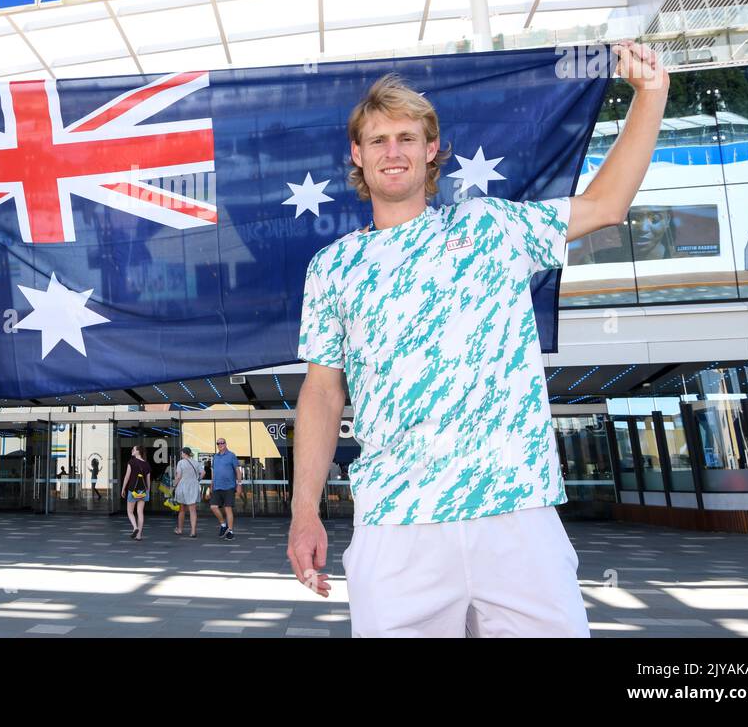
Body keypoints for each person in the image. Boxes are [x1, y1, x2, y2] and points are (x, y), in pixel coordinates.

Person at [289, 41, 669, 638]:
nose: (394, 152)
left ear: (432, 149)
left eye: (408, 137)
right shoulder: (332, 267)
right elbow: (321, 393)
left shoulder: (492, 226)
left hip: (515, 510)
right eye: (380, 140)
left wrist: (651, 95)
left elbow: (606, 205)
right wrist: (304, 512)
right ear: (357, 155)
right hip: (396, 523)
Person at [209, 437, 242, 540]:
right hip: (217, 486)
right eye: (218, 443)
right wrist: (211, 484)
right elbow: (214, 472)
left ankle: (230, 531)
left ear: (226, 444)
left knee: (228, 509)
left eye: (222, 442)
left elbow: (237, 470)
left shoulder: (231, 455)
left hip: (229, 487)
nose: (220, 444)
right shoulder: (215, 457)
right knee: (213, 507)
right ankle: (223, 525)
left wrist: (239, 484)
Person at [121, 445, 150, 540]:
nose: (132, 450)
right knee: (140, 512)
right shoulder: (146, 464)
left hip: (132, 490)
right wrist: (148, 491)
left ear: (138, 451)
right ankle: (139, 535)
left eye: (133, 449)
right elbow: (148, 480)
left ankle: (135, 527)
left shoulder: (131, 462)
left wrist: (123, 488)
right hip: (143, 491)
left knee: (130, 511)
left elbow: (127, 477)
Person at [173, 446, 201, 538]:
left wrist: (174, 485)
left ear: (184, 453)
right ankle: (193, 531)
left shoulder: (180, 462)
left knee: (182, 509)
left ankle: (180, 529)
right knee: (192, 510)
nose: (181, 454)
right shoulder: (196, 463)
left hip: (183, 486)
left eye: (181, 453)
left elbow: (178, 476)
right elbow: (203, 472)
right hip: (193, 486)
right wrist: (197, 479)